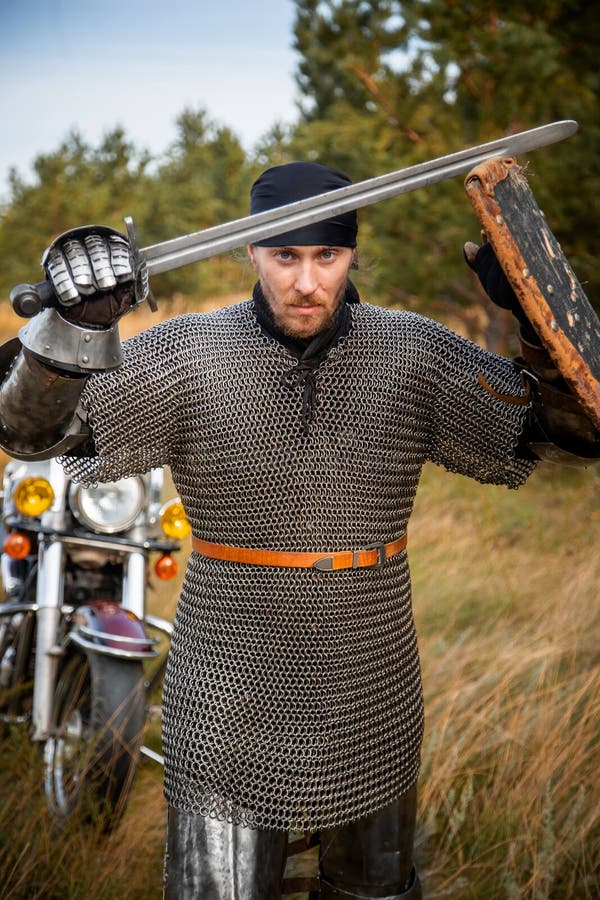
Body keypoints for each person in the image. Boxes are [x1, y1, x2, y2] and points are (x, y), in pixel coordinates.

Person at [0, 162, 597, 899]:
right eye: (285, 256)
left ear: (352, 254)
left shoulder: (410, 351)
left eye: (327, 256)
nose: (307, 282)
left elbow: (564, 430)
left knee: (374, 891)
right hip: (228, 690)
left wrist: (544, 330)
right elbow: (31, 433)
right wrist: (72, 330)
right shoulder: (189, 354)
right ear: (251, 253)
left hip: (369, 691)